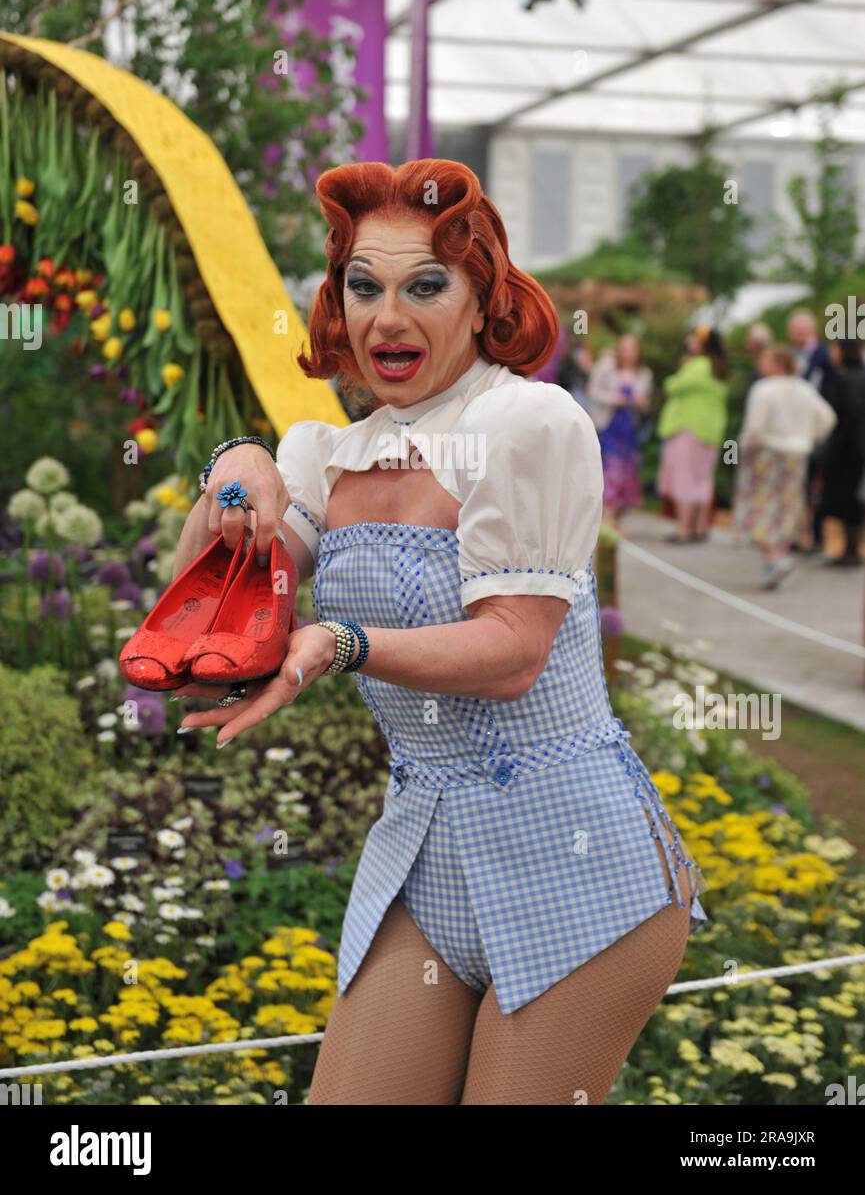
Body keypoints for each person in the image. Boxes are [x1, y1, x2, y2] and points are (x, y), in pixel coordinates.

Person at [170, 157, 708, 1106]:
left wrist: (342, 643)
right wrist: (235, 462)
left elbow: (512, 652)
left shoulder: (527, 422)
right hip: (425, 860)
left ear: (479, 298)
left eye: (425, 286)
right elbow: (197, 616)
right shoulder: (324, 456)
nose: (386, 317)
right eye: (362, 286)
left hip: (574, 860)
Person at [732, 344, 837, 589]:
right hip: (796, 454)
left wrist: (744, 448)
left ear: (777, 364)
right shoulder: (805, 389)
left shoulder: (764, 389)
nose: (760, 365)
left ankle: (774, 557)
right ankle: (778, 556)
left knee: (762, 505)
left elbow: (754, 428)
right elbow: (828, 418)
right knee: (787, 505)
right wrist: (807, 438)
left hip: (766, 453)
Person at [656, 326, 728, 543]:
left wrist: (683, 366)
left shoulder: (697, 366)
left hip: (689, 428)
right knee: (703, 480)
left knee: (684, 480)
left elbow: (672, 385)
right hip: (710, 431)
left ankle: (684, 529)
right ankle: (699, 526)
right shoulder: (718, 368)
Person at [587, 335, 653, 525]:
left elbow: (645, 403)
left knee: (627, 472)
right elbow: (593, 391)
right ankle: (607, 519)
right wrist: (616, 398)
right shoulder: (607, 366)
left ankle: (615, 519)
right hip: (608, 426)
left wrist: (639, 402)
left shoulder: (643, 374)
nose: (628, 353)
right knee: (611, 471)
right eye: (624, 348)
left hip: (629, 429)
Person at [787, 308, 837, 553]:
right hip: (793, 431)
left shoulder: (824, 356)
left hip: (815, 431)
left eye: (802, 331)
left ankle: (817, 537)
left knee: (816, 486)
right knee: (798, 486)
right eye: (795, 332)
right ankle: (797, 534)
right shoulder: (789, 355)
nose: (798, 336)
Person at [816, 337, 865, 567]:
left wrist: (830, 448)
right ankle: (849, 549)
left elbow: (848, 416)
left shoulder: (847, 378)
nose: (831, 353)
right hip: (855, 449)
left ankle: (850, 551)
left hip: (849, 452)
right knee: (852, 502)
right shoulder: (856, 376)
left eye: (834, 349)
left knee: (848, 503)